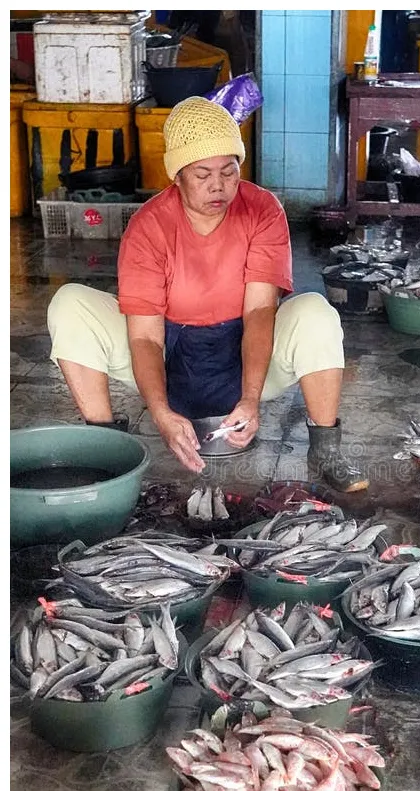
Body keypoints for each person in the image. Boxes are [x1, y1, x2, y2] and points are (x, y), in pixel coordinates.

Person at [47, 96, 368, 494]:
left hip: (246, 356)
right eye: (202, 174)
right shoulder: (149, 227)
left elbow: (259, 313)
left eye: (229, 171)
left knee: (316, 312)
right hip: (168, 357)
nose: (218, 186)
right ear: (176, 175)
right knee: (70, 304)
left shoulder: (263, 210)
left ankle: (325, 448)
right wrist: (161, 413)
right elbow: (145, 336)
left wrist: (251, 399)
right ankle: (106, 445)